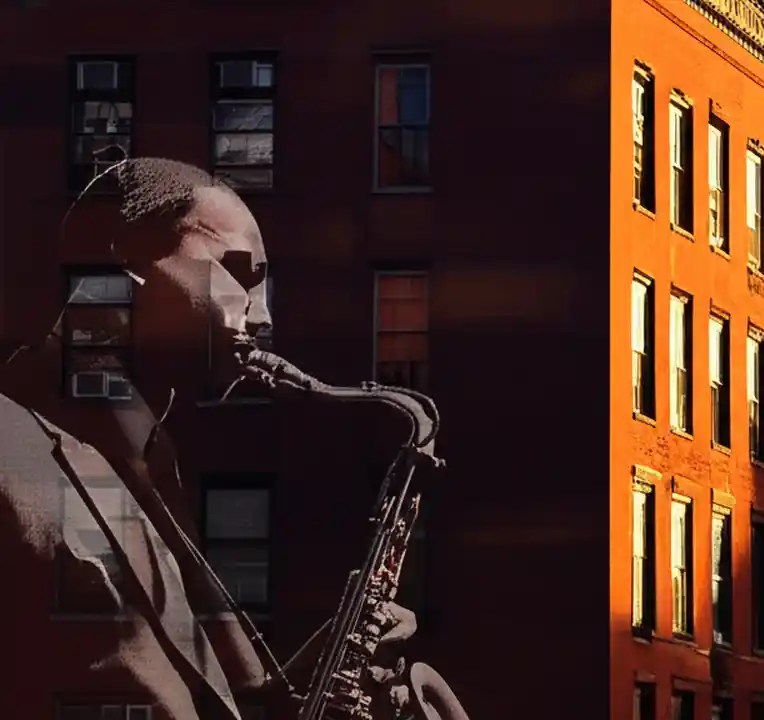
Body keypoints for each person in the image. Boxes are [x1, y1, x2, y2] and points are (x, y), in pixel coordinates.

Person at [0, 157, 467, 720]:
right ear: (118, 254)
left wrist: (315, 681)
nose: (264, 315)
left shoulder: (151, 466)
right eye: (240, 273)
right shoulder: (11, 444)